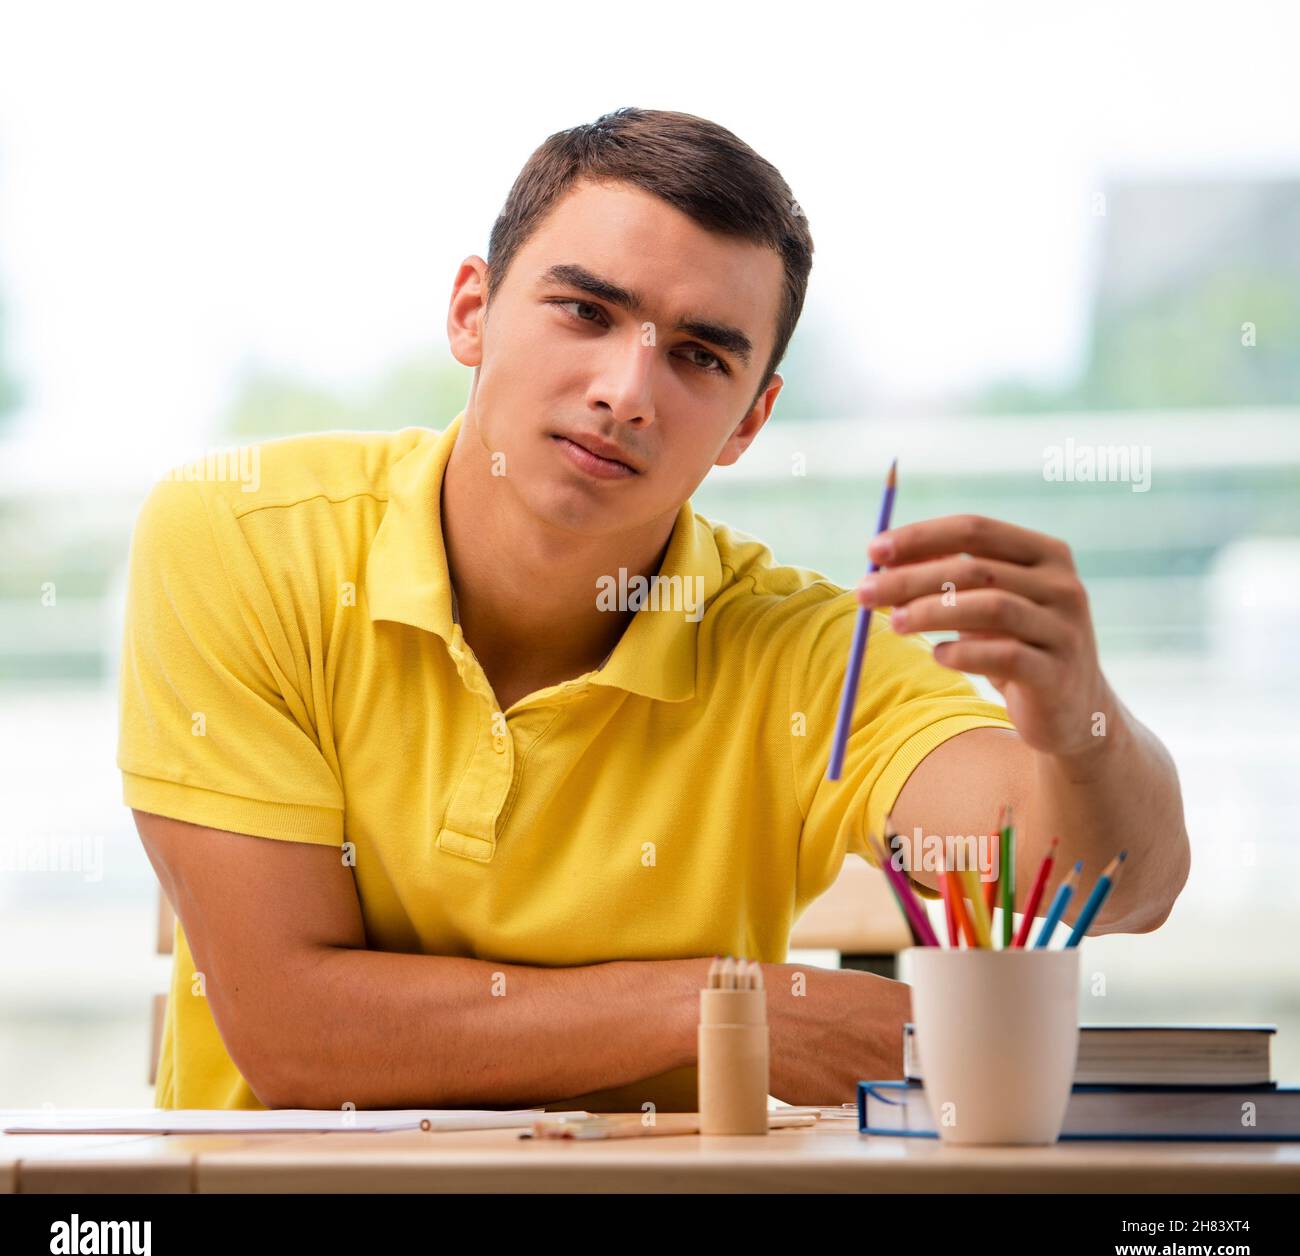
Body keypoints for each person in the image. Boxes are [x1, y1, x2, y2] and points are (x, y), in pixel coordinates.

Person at [118, 107, 1190, 1112]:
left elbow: (1107, 889)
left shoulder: (805, 651)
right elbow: (300, 1036)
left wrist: (1079, 718)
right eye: (586, 310)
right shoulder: (244, 536)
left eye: (698, 356)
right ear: (470, 312)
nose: (627, 390)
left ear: (748, 420)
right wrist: (736, 1006)